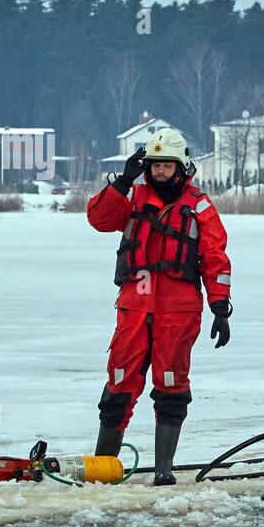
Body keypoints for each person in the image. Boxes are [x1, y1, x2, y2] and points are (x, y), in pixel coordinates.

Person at [86, 128, 232, 485]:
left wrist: (219, 305)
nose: (160, 171)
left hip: (178, 312)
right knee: (119, 384)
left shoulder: (199, 205)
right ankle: (104, 467)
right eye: (154, 165)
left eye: (167, 165)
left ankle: (163, 470)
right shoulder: (132, 196)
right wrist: (122, 180)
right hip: (134, 309)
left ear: (181, 166)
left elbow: (214, 256)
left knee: (171, 387)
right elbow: (99, 219)